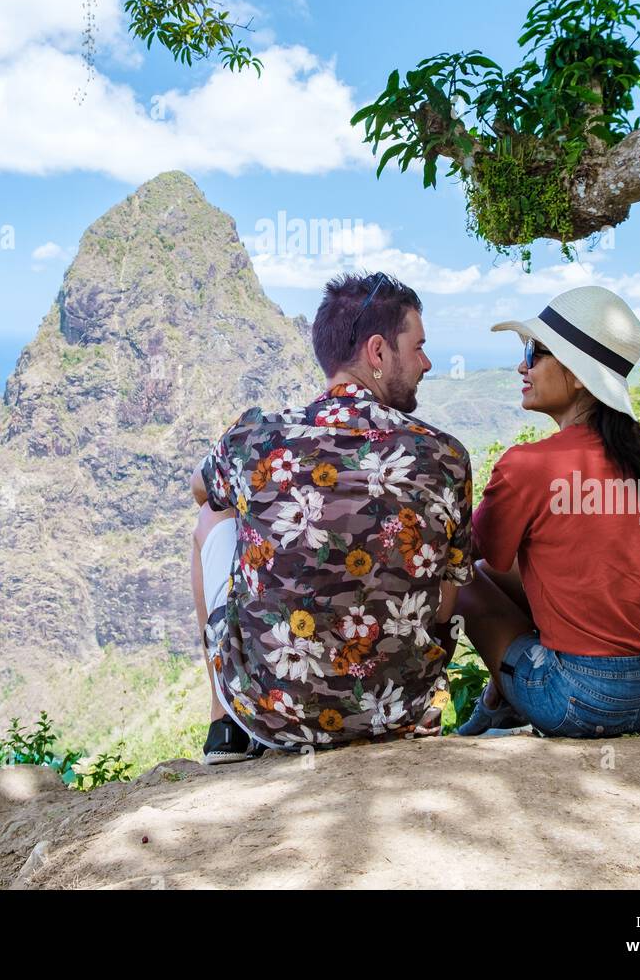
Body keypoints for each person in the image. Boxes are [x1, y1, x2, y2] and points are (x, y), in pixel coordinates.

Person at [189, 271, 474, 764]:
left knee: (211, 523)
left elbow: (199, 489)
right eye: (419, 347)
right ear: (378, 352)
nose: (427, 363)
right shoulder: (445, 454)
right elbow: (447, 598)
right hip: (400, 710)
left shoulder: (255, 439)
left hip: (275, 716)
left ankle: (224, 726)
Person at [454, 285, 640, 738]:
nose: (521, 365)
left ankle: (502, 698)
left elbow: (460, 555)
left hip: (590, 699)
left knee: (466, 582)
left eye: (535, 351)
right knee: (504, 569)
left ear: (581, 375)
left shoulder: (529, 464)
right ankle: (497, 696)